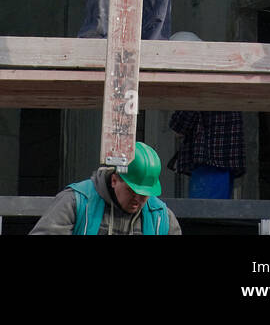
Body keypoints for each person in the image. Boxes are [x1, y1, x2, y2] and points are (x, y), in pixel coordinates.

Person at [29, 142, 180, 235]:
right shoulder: (76, 201)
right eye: (131, 191)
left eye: (144, 194)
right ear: (114, 180)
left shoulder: (161, 217)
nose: (137, 199)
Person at [168, 33, 246, 199]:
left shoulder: (200, 80)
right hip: (222, 163)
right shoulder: (220, 73)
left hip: (210, 162)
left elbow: (180, 124)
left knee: (204, 211)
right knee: (218, 209)